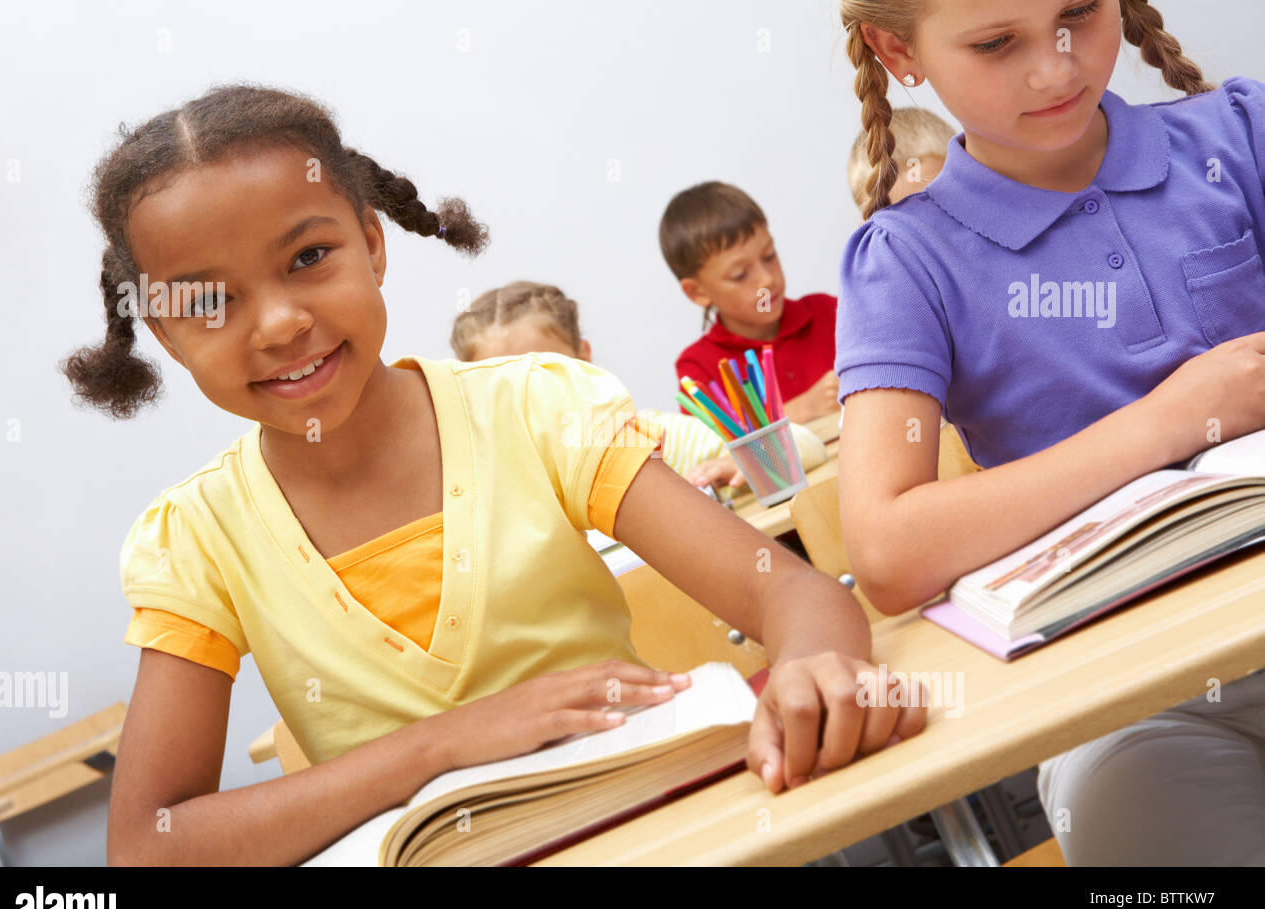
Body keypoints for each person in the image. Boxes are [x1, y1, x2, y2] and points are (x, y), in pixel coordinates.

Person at [60, 83, 926, 865]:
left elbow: (794, 592)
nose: (281, 323)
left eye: (307, 258)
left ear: (372, 243)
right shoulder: (198, 541)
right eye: (209, 303)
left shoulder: (532, 411)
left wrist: (818, 664)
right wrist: (447, 743)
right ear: (167, 336)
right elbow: (150, 844)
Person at [834, 0, 1265, 863]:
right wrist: (1170, 419)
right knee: (1128, 818)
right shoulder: (908, 261)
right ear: (896, 50)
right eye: (997, 44)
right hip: (1129, 700)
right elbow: (887, 549)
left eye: (1078, 14)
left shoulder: (1239, 135)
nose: (1056, 68)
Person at [449, 280, 829, 501]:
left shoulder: (658, 438)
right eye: (501, 388)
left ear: (585, 358)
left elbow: (805, 444)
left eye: (547, 375)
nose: (529, 403)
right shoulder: (491, 491)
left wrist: (742, 463)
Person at [664, 182, 841, 424]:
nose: (767, 279)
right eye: (740, 275)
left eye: (769, 257)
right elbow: (717, 453)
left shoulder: (829, 312)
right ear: (697, 292)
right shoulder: (697, 368)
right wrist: (796, 412)